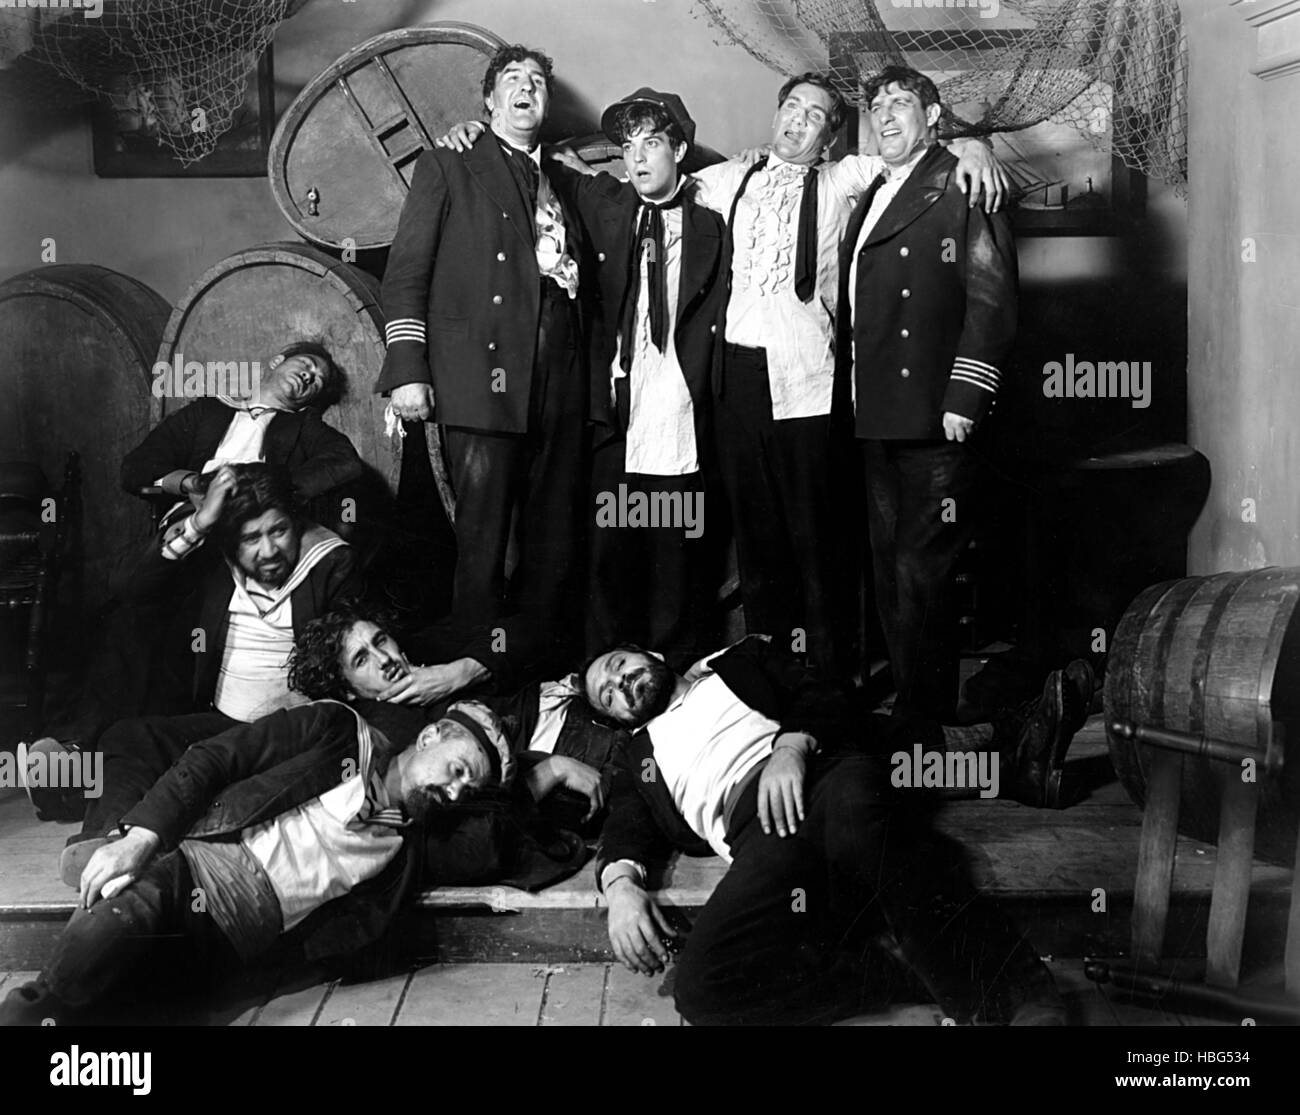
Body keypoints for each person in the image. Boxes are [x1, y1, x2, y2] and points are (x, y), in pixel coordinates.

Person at [581, 637, 1092, 1025]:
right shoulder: (639, 755)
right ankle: (903, 971)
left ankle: (1018, 995)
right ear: (618, 720)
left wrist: (791, 747)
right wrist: (620, 885)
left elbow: (823, 691)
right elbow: (627, 823)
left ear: (646, 652)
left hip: (822, 774)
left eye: (618, 667)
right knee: (699, 990)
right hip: (760, 836)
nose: (619, 685)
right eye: (609, 696)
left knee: (860, 821)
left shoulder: (734, 661)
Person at [0, 673, 514, 1026]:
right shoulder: (338, 733)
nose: (453, 793)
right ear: (429, 737)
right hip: (199, 867)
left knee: (127, 1019)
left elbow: (508, 840)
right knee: (121, 912)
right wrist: (139, 839)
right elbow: (216, 758)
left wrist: (549, 768)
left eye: (464, 793)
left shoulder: (404, 848)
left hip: (234, 949)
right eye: (457, 770)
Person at [378, 43, 590, 674]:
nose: (527, 89)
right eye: (513, 80)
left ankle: (533, 670)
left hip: (558, 380)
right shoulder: (450, 161)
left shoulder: (563, 176)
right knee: (482, 543)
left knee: (551, 536)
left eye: (538, 83)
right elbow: (405, 273)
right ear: (490, 99)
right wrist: (408, 371)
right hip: (482, 378)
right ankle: (472, 672)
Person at [40, 462, 361, 868]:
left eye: (279, 531)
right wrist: (199, 522)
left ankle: (139, 842)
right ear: (229, 540)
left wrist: (307, 698)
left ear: (295, 522)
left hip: (287, 733)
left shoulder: (330, 563)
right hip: (222, 722)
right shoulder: (216, 558)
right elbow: (131, 589)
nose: (269, 551)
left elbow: (356, 654)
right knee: (128, 738)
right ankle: (106, 840)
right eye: (251, 538)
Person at [836, 65, 1018, 720]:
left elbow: (993, 299)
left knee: (924, 576)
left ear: (935, 116)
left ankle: (923, 726)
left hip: (937, 416)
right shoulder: (874, 189)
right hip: (877, 412)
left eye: (902, 102)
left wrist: (966, 398)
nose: (885, 114)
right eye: (877, 104)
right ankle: (914, 716)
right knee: (891, 572)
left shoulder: (963, 178)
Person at [544, 88, 727, 662]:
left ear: (678, 148)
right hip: (619, 408)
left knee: (677, 551)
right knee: (609, 547)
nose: (638, 159)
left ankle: (671, 669)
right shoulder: (610, 203)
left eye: (651, 144)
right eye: (627, 147)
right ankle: (605, 669)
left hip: (681, 408)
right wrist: (468, 132)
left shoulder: (714, 223)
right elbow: (535, 159)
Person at [123, 340, 361, 526]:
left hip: (261, 519)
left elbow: (345, 461)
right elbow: (137, 465)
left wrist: (268, 490)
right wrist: (191, 483)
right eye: (307, 364)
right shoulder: (208, 410)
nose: (310, 376)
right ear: (277, 361)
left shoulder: (303, 424)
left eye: (318, 381)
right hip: (195, 512)